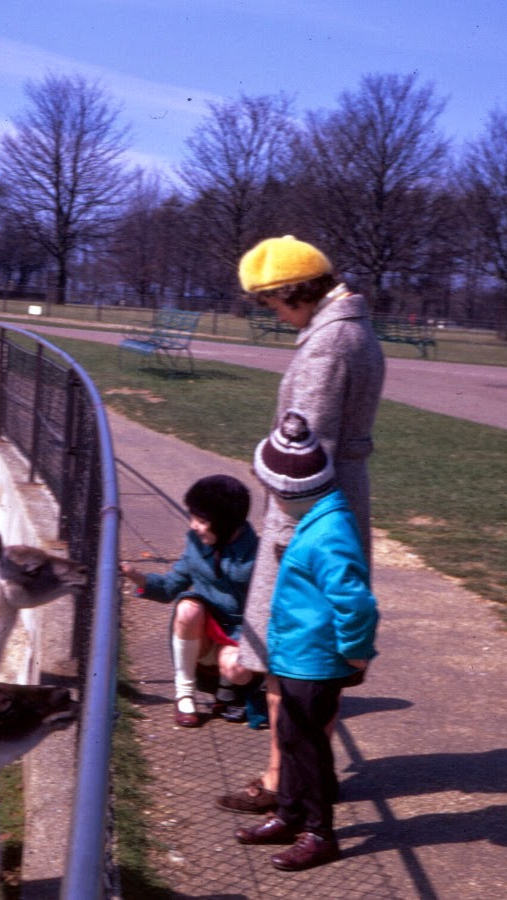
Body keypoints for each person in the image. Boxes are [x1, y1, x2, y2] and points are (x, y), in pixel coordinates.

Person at [218, 235, 386, 813]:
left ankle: (282, 782)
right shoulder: (350, 329)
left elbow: (306, 449)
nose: (274, 314)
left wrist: (288, 535)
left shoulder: (329, 344)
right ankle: (300, 777)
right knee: (311, 655)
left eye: (272, 303)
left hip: (309, 509)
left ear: (295, 292)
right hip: (335, 500)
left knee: (289, 653)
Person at [233, 411, 379, 871]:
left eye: (273, 491)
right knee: (291, 739)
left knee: (309, 749)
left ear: (288, 492)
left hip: (316, 662)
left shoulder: (329, 535)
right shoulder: (317, 523)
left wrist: (355, 652)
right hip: (298, 656)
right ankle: (290, 814)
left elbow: (356, 603)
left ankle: (319, 833)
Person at [121, 474, 260, 727]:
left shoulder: (258, 554)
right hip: (205, 632)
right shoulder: (196, 544)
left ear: (224, 524)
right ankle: (184, 693)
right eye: (193, 517)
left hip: (240, 634)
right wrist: (135, 576)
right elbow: (169, 587)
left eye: (201, 520)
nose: (193, 525)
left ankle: (229, 689)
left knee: (237, 671)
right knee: (187, 608)